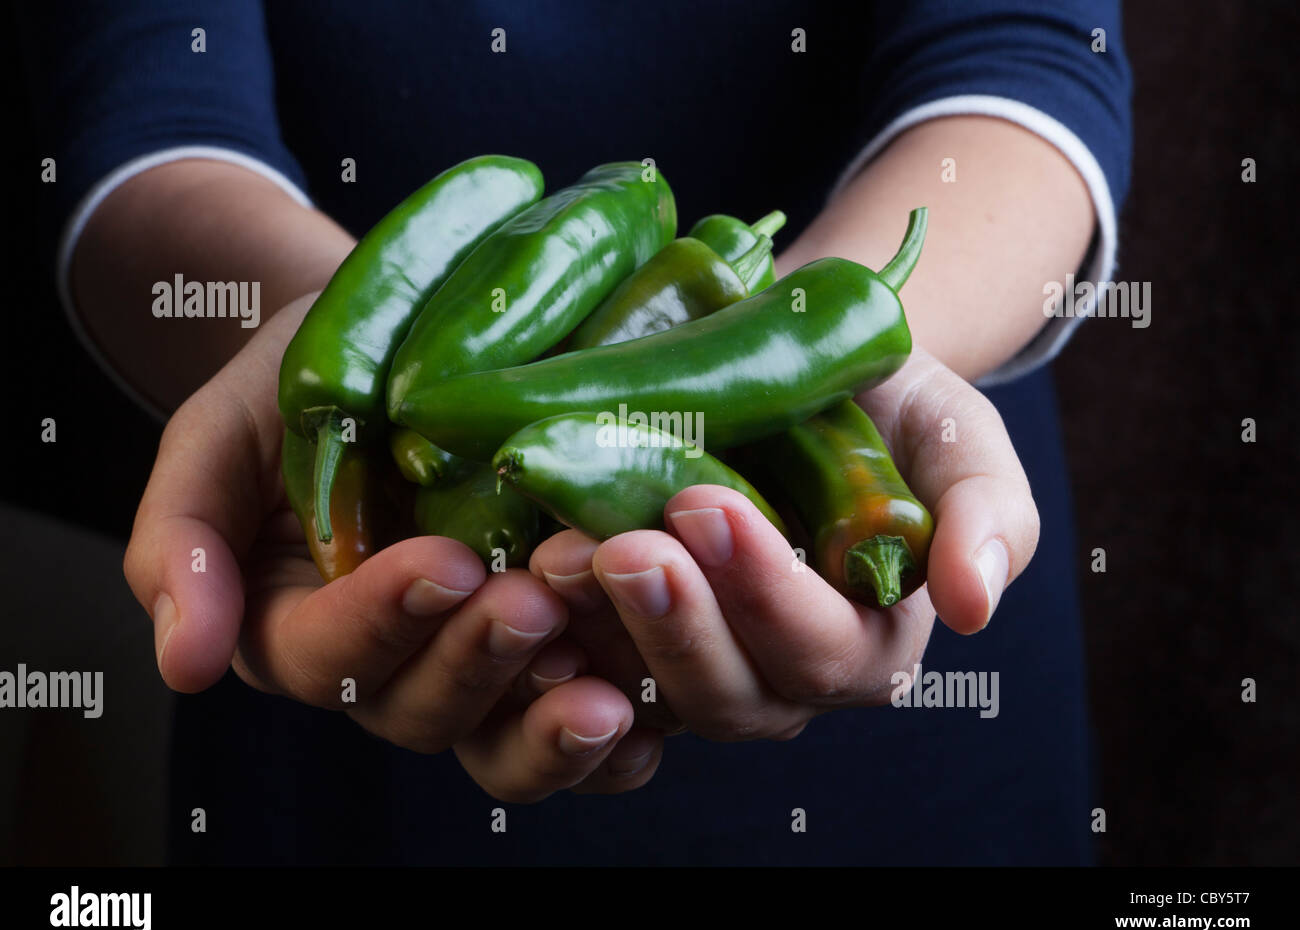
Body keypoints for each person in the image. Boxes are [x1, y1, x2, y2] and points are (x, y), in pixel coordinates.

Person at [20, 0, 1130, 864]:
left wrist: (841, 347)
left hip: (900, 724)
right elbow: (143, 112)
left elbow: (1027, 56)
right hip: (348, 705)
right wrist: (325, 332)